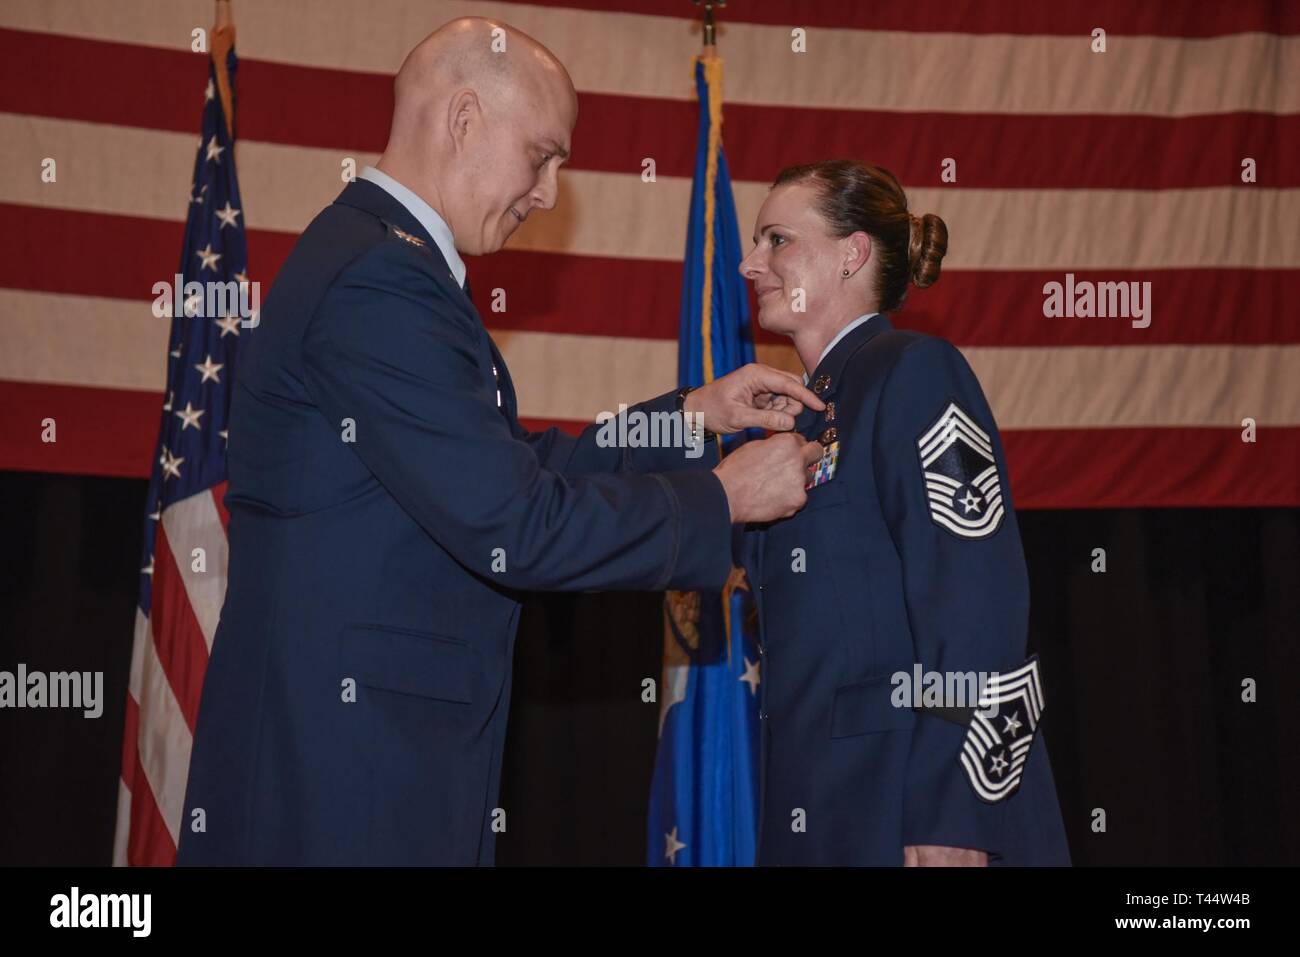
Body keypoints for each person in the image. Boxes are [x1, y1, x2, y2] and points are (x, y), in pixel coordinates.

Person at [176, 17, 823, 866]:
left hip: (370, 763)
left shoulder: (388, 263)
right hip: (344, 779)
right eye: (543, 155)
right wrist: (726, 498)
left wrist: (691, 418)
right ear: (464, 118)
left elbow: (513, 469)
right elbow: (514, 521)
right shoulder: (380, 281)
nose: (550, 193)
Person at [736, 159, 1071, 866]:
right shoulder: (801, 418)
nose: (749, 262)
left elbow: (977, 600)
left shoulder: (915, 372)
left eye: (776, 240)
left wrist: (956, 813)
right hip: (823, 805)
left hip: (910, 809)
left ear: (852, 254)